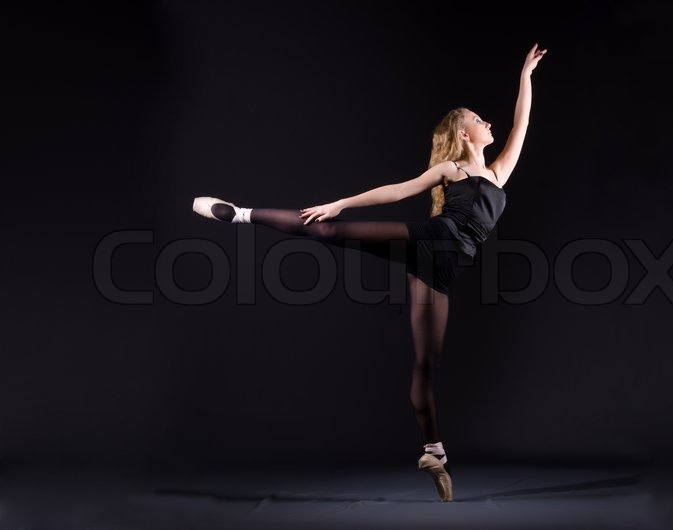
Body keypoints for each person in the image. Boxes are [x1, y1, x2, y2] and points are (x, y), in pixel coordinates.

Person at [192, 42, 547, 502]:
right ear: (463, 134)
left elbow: (521, 122)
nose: (489, 123)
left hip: (440, 273)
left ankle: (433, 452)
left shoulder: (499, 173)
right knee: (330, 231)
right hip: (430, 240)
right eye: (479, 120)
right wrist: (340, 202)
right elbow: (397, 191)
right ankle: (239, 213)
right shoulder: (453, 168)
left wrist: (526, 75)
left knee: (427, 363)